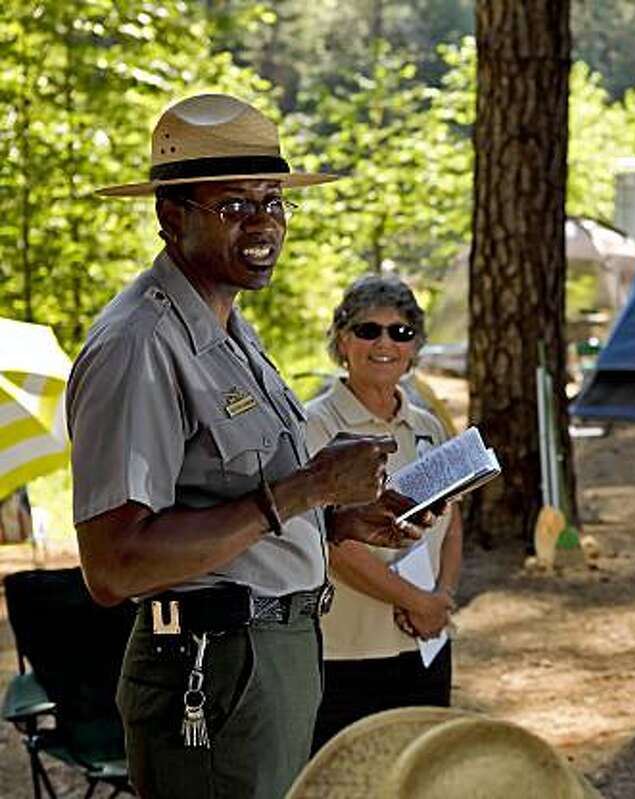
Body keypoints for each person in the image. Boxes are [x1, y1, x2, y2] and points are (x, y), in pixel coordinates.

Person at [67, 93, 431, 799]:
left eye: (274, 201)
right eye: (234, 206)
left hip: (271, 658)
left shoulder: (226, 322)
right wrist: (307, 489)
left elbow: (227, 503)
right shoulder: (139, 344)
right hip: (210, 668)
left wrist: (330, 520)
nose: (265, 223)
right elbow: (113, 565)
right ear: (171, 216)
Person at [306, 273, 464, 753]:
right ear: (342, 340)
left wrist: (440, 600)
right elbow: (328, 542)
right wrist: (417, 602)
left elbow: (452, 522)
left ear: (415, 346)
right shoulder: (314, 425)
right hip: (346, 650)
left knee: (419, 777)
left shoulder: (427, 426)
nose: (385, 343)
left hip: (425, 644)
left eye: (400, 332)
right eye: (368, 329)